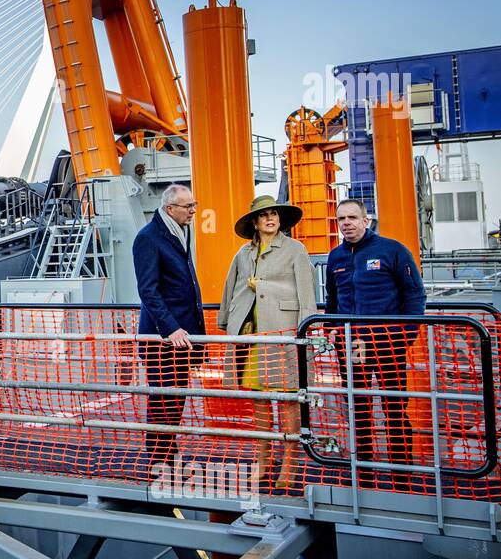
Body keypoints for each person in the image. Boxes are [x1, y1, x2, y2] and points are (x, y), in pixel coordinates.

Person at [216, 196, 319, 493]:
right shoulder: (242, 253)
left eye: (274, 214)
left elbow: (306, 293)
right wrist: (227, 321)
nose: (270, 219)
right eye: (264, 216)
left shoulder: (296, 250)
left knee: (288, 401)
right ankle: (263, 461)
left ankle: (291, 464)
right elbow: (230, 289)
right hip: (252, 336)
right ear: (255, 223)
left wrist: (306, 330)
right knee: (259, 402)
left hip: (283, 336)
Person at [325, 198, 427, 490]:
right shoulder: (336, 257)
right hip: (350, 346)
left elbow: (414, 295)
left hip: (388, 344)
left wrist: (405, 335)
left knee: (394, 408)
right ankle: (364, 473)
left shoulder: (392, 250)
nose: (347, 223)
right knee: (358, 409)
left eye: (353, 218)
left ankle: (401, 474)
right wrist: (333, 328)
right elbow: (334, 299)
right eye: (341, 218)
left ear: (366, 220)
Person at [132, 183, 205, 471]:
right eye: (188, 206)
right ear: (169, 208)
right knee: (163, 401)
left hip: (181, 339)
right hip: (164, 340)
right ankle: (158, 461)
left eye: (194, 204)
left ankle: (169, 455)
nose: (194, 210)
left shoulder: (178, 233)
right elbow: (148, 290)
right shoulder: (149, 238)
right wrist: (170, 328)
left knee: (175, 401)